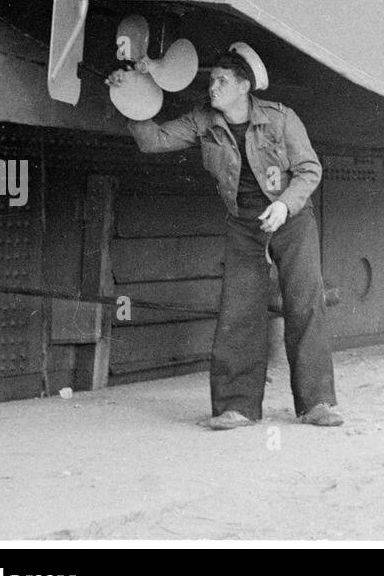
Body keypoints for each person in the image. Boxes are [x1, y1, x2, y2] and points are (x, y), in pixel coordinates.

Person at [114, 44, 343, 430]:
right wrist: (128, 94)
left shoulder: (281, 119)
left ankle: (317, 403)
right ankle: (236, 407)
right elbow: (152, 140)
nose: (212, 88)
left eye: (221, 81)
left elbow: (309, 170)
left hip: (291, 219)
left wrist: (285, 205)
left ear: (243, 86)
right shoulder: (203, 121)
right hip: (243, 223)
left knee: (304, 305)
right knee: (239, 312)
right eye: (211, 80)